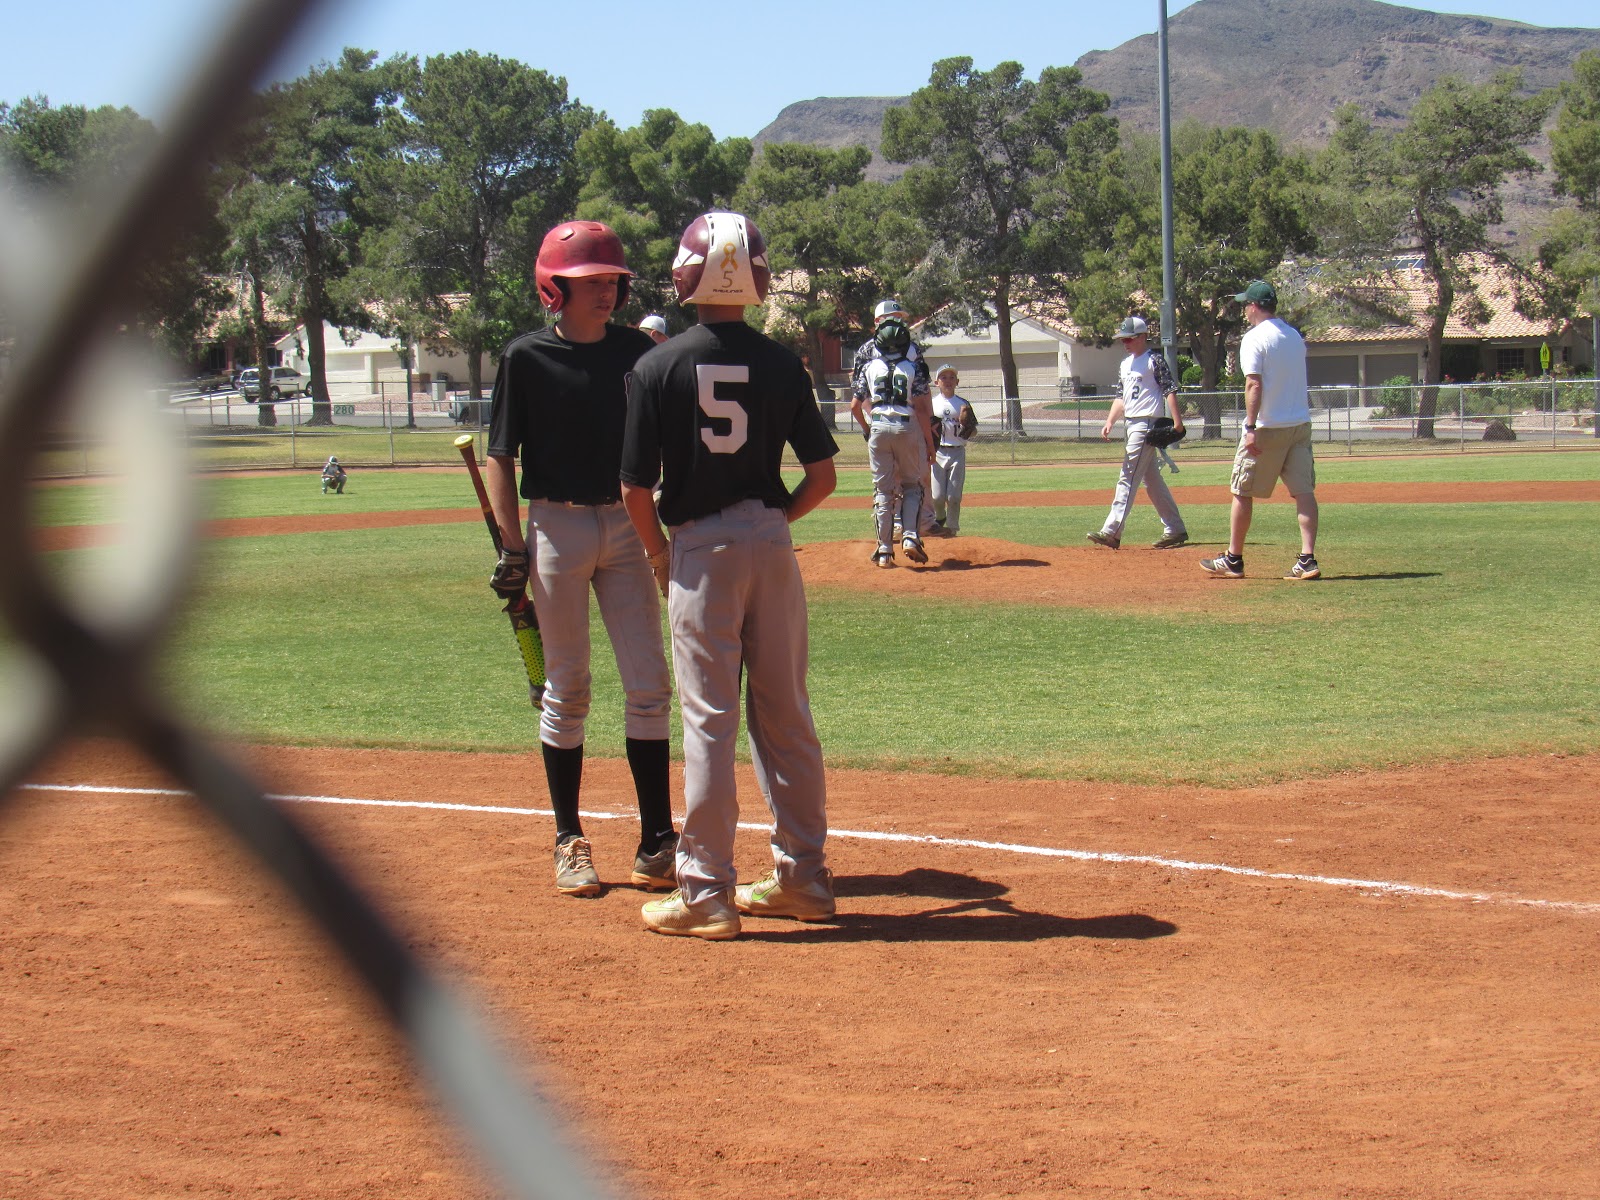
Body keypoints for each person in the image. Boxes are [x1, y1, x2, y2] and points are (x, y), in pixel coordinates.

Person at [621, 210, 839, 940]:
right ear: (757, 278)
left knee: (709, 722)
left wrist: (660, 557)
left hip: (699, 549)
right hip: (770, 546)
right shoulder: (782, 364)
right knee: (787, 715)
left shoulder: (656, 366)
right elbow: (823, 477)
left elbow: (634, 488)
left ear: (688, 277)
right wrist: (771, 522)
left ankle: (705, 893)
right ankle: (804, 878)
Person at [484, 219, 678, 899]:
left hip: (626, 524)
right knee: (567, 689)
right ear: (553, 289)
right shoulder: (525, 358)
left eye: (612, 280)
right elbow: (501, 456)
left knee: (649, 685)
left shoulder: (638, 353)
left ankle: (657, 841)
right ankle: (569, 838)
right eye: (589, 281)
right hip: (556, 526)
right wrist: (512, 546)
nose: (606, 291)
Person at [1201, 279, 1321, 580]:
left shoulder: (1255, 338)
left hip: (1268, 426)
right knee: (1304, 492)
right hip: (1299, 424)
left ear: (1254, 306)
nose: (1244, 310)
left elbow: (1253, 384)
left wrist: (1251, 426)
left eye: (1246, 305)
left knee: (1242, 490)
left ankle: (1233, 559)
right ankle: (1307, 559)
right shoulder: (1293, 335)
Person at [1087, 316, 1188, 551]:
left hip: (1147, 424)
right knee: (1152, 481)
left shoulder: (1154, 360)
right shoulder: (1125, 364)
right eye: (1123, 339)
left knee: (1128, 475)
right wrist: (1110, 421)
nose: (1125, 342)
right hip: (1131, 424)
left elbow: (1170, 390)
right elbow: (1121, 397)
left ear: (1143, 337)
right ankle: (1175, 529)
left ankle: (1112, 531)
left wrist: (1178, 422)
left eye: (1129, 338)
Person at [851, 313, 935, 567]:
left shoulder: (868, 367)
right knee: (912, 485)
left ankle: (885, 551)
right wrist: (930, 443)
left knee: (883, 490)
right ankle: (910, 537)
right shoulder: (913, 368)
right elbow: (922, 409)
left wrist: (867, 429)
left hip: (878, 426)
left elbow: (855, 406)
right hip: (906, 426)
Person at [929, 364, 977, 536]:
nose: (948, 381)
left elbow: (974, 431)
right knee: (937, 497)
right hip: (937, 452)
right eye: (943, 377)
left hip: (957, 451)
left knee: (954, 497)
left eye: (951, 377)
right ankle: (940, 517)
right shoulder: (931, 404)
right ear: (936, 382)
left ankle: (952, 528)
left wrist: (966, 426)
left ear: (957, 382)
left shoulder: (963, 404)